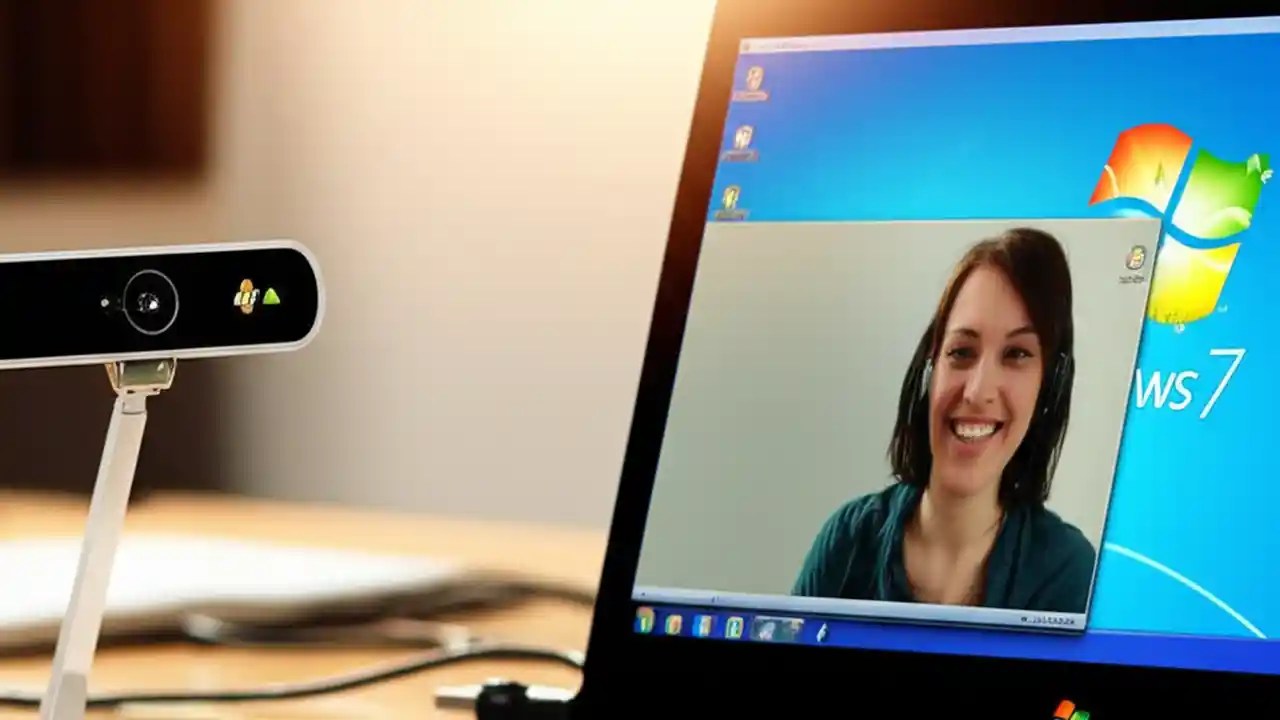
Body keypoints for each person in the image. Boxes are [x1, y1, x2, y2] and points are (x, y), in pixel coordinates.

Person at [791, 227, 1097, 614]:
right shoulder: (849, 541)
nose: (977, 391)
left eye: (1017, 354)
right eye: (962, 351)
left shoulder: (1068, 574)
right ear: (930, 369)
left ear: (1047, 389)